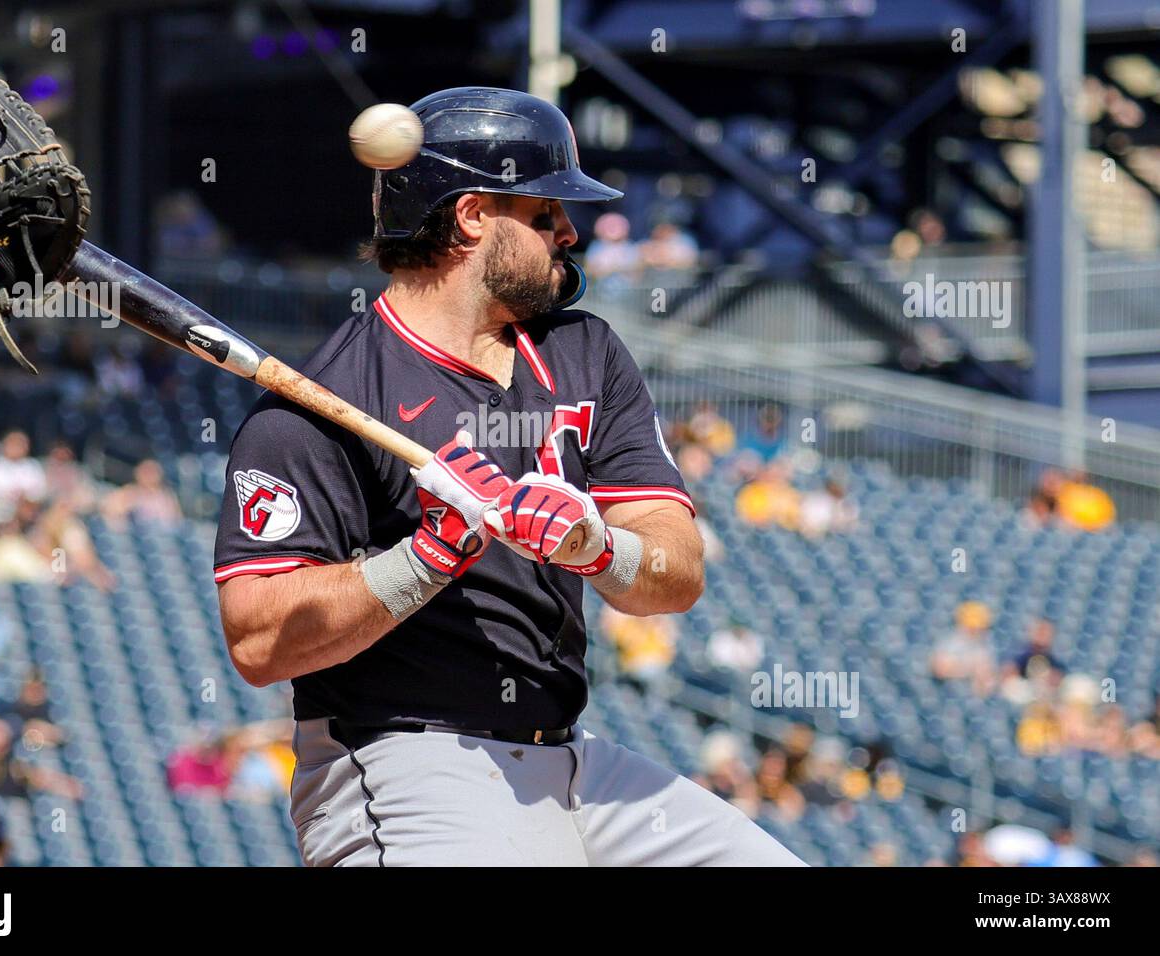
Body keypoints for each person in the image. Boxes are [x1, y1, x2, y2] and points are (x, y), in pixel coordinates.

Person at [214, 87, 802, 867]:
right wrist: (424, 557)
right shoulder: (325, 399)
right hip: (403, 756)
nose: (570, 231)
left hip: (569, 757)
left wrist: (598, 548)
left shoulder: (583, 352)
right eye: (544, 212)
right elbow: (257, 641)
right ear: (470, 218)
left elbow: (678, 572)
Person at [930, 601, 998, 696]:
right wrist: (969, 670)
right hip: (948, 691)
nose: (977, 631)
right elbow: (940, 669)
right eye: (973, 627)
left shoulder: (984, 643)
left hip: (973, 694)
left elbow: (987, 673)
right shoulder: (951, 642)